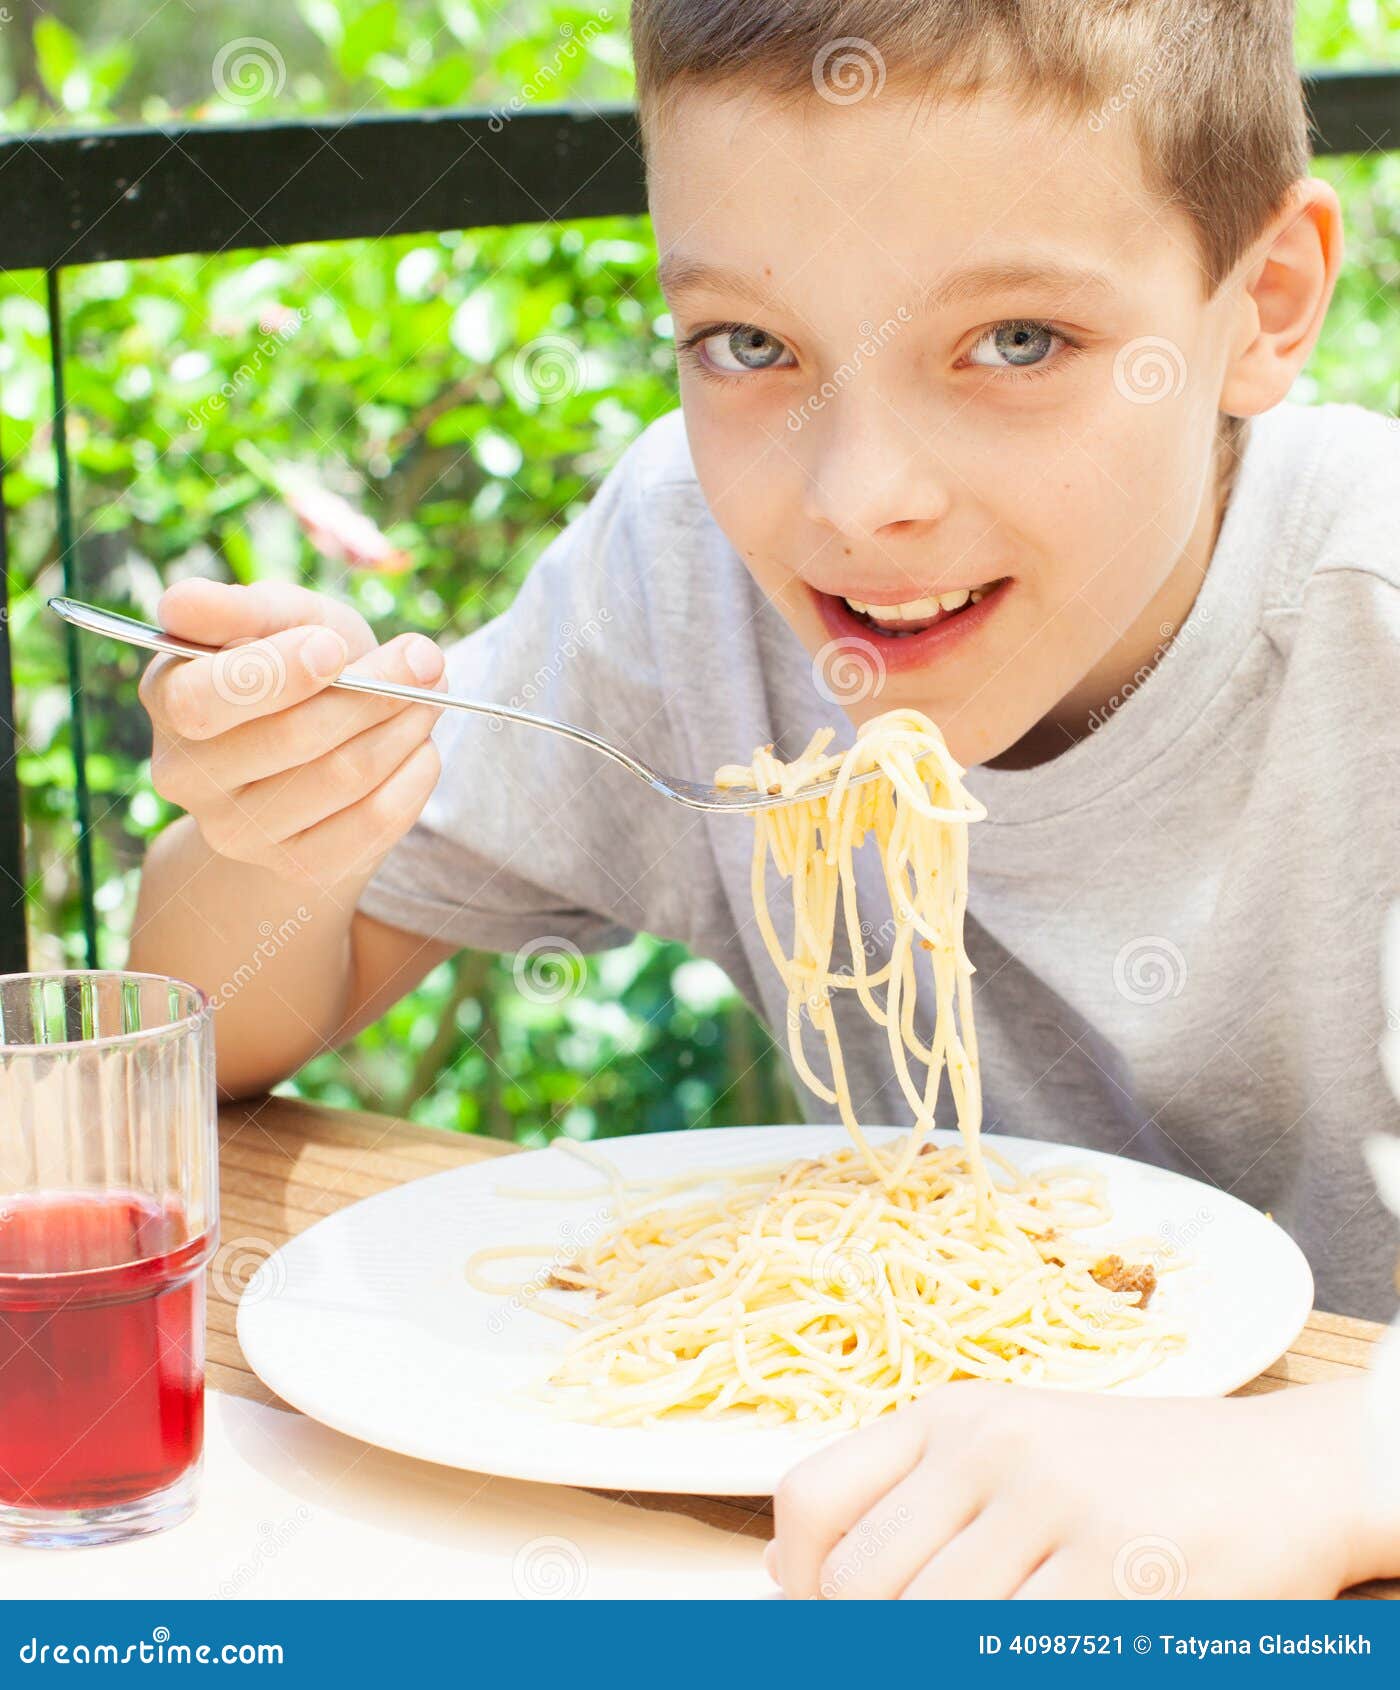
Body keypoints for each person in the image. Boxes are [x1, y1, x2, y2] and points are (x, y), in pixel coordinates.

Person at [131, 0, 1400, 1596]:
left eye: (1017, 342)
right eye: (752, 347)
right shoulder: (682, 577)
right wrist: (279, 827)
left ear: (1264, 302)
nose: (862, 499)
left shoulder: (1375, 610)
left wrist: (1335, 1459)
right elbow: (207, 1030)